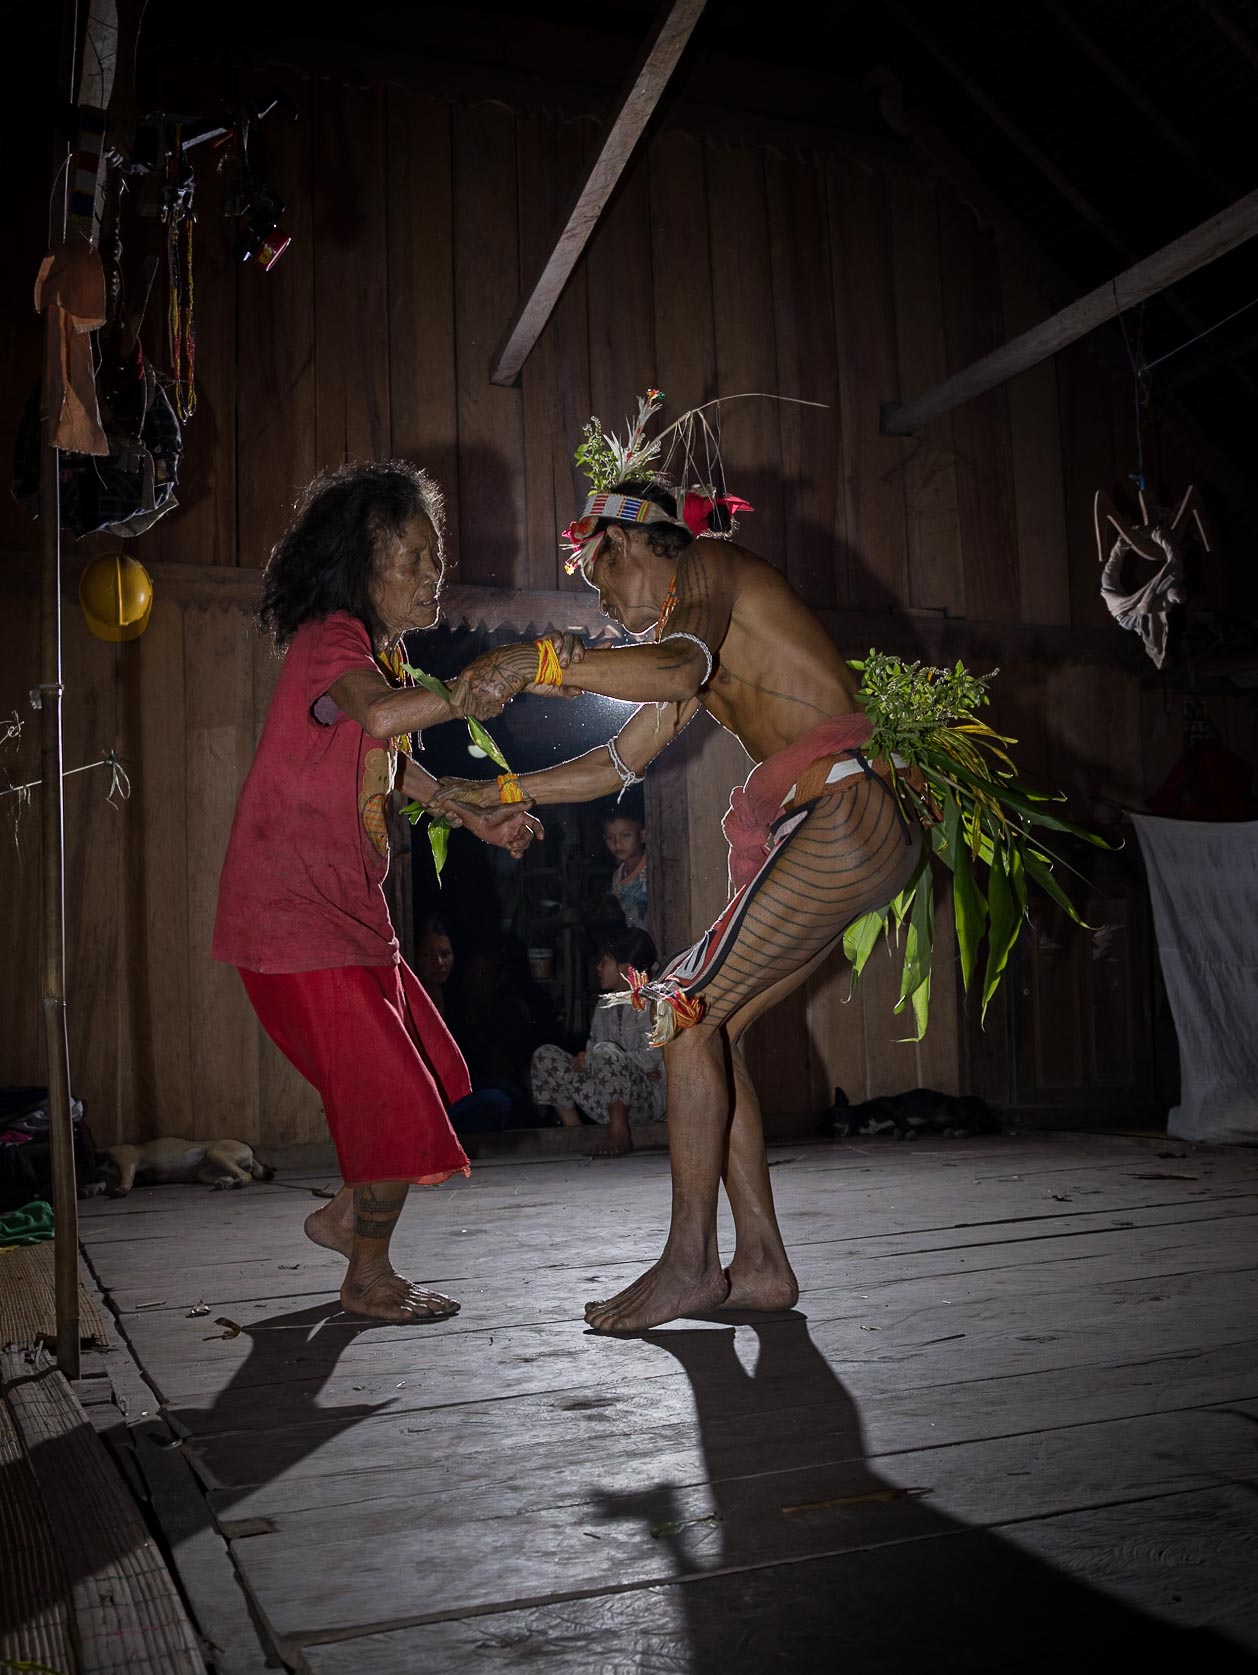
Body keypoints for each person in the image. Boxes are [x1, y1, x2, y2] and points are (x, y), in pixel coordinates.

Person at [434, 467, 920, 1332]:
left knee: (684, 1009)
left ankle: (691, 1263)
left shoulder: (708, 572)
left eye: (599, 577)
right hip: (845, 823)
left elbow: (677, 664)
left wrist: (535, 661)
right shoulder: (688, 634)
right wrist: (502, 792)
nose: (603, 604)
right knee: (711, 1027)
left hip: (847, 811)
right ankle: (759, 1261)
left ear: (625, 541)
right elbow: (615, 763)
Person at [212, 461, 576, 1325]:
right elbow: (380, 715)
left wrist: (471, 814)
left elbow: (389, 757)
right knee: (393, 1095)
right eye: (413, 556)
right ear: (360, 564)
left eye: (434, 555)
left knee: (427, 1072)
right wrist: (468, 688)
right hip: (292, 918)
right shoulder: (331, 638)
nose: (431, 572)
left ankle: (347, 1217)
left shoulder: (384, 654)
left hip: (348, 916)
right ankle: (367, 1275)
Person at [531, 927, 666, 1157]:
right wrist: (596, 1060)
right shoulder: (604, 1005)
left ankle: (619, 1132)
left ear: (625, 968)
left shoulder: (654, 1003)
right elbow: (595, 1050)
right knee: (546, 1056)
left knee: (604, 1052)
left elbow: (651, 1057)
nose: (598, 968)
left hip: (645, 1102)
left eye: (605, 961)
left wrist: (600, 1059)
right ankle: (575, 1133)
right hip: (606, 1098)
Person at [603, 810, 649, 931]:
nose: (617, 843)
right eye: (610, 837)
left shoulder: (651, 869)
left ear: (643, 836)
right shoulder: (617, 877)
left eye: (625, 835)